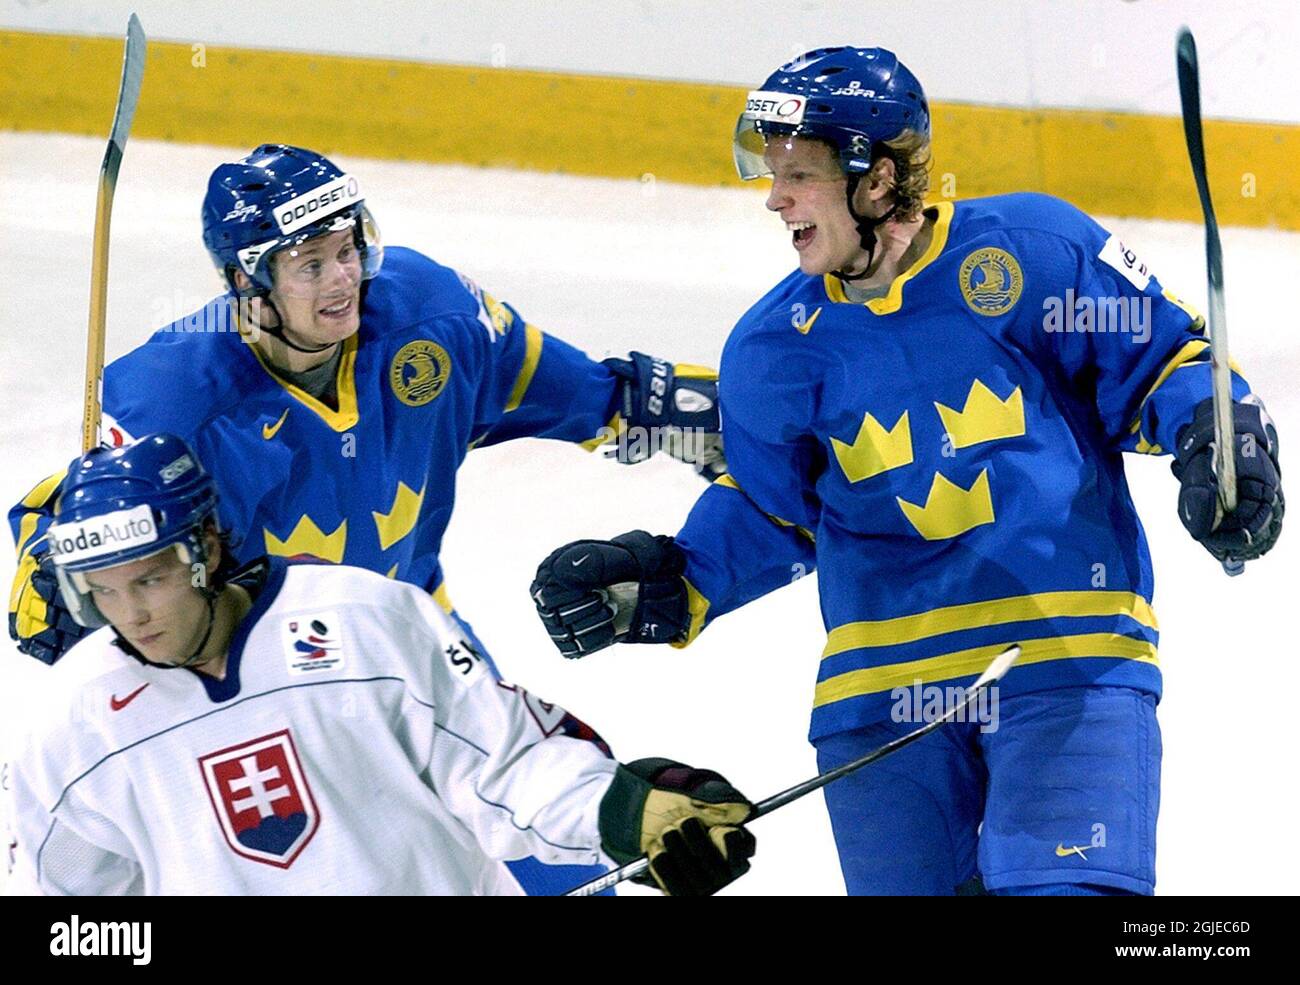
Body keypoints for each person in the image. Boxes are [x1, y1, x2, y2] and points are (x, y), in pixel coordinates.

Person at [528, 46, 1284, 895]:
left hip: (1063, 656)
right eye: (773, 173)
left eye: (800, 175)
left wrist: (1220, 442)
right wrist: (674, 576)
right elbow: (778, 511)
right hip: (880, 696)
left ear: (878, 180)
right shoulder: (770, 351)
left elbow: (1164, 365)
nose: (776, 198)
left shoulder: (1034, 253)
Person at [7, 144, 722, 894]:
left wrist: (726, 421)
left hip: (406, 642)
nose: (344, 278)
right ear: (249, 286)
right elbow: (79, 527)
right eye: (310, 265)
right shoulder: (168, 401)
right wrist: (52, 575)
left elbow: (593, 395)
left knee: (560, 857)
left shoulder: (431, 315)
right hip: (254, 689)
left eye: (348, 249)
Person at [4, 434, 755, 896]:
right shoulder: (71, 722)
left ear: (203, 549)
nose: (131, 615)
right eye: (101, 591)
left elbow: (507, 764)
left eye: (150, 580)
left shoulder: (364, 619)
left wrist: (623, 813)